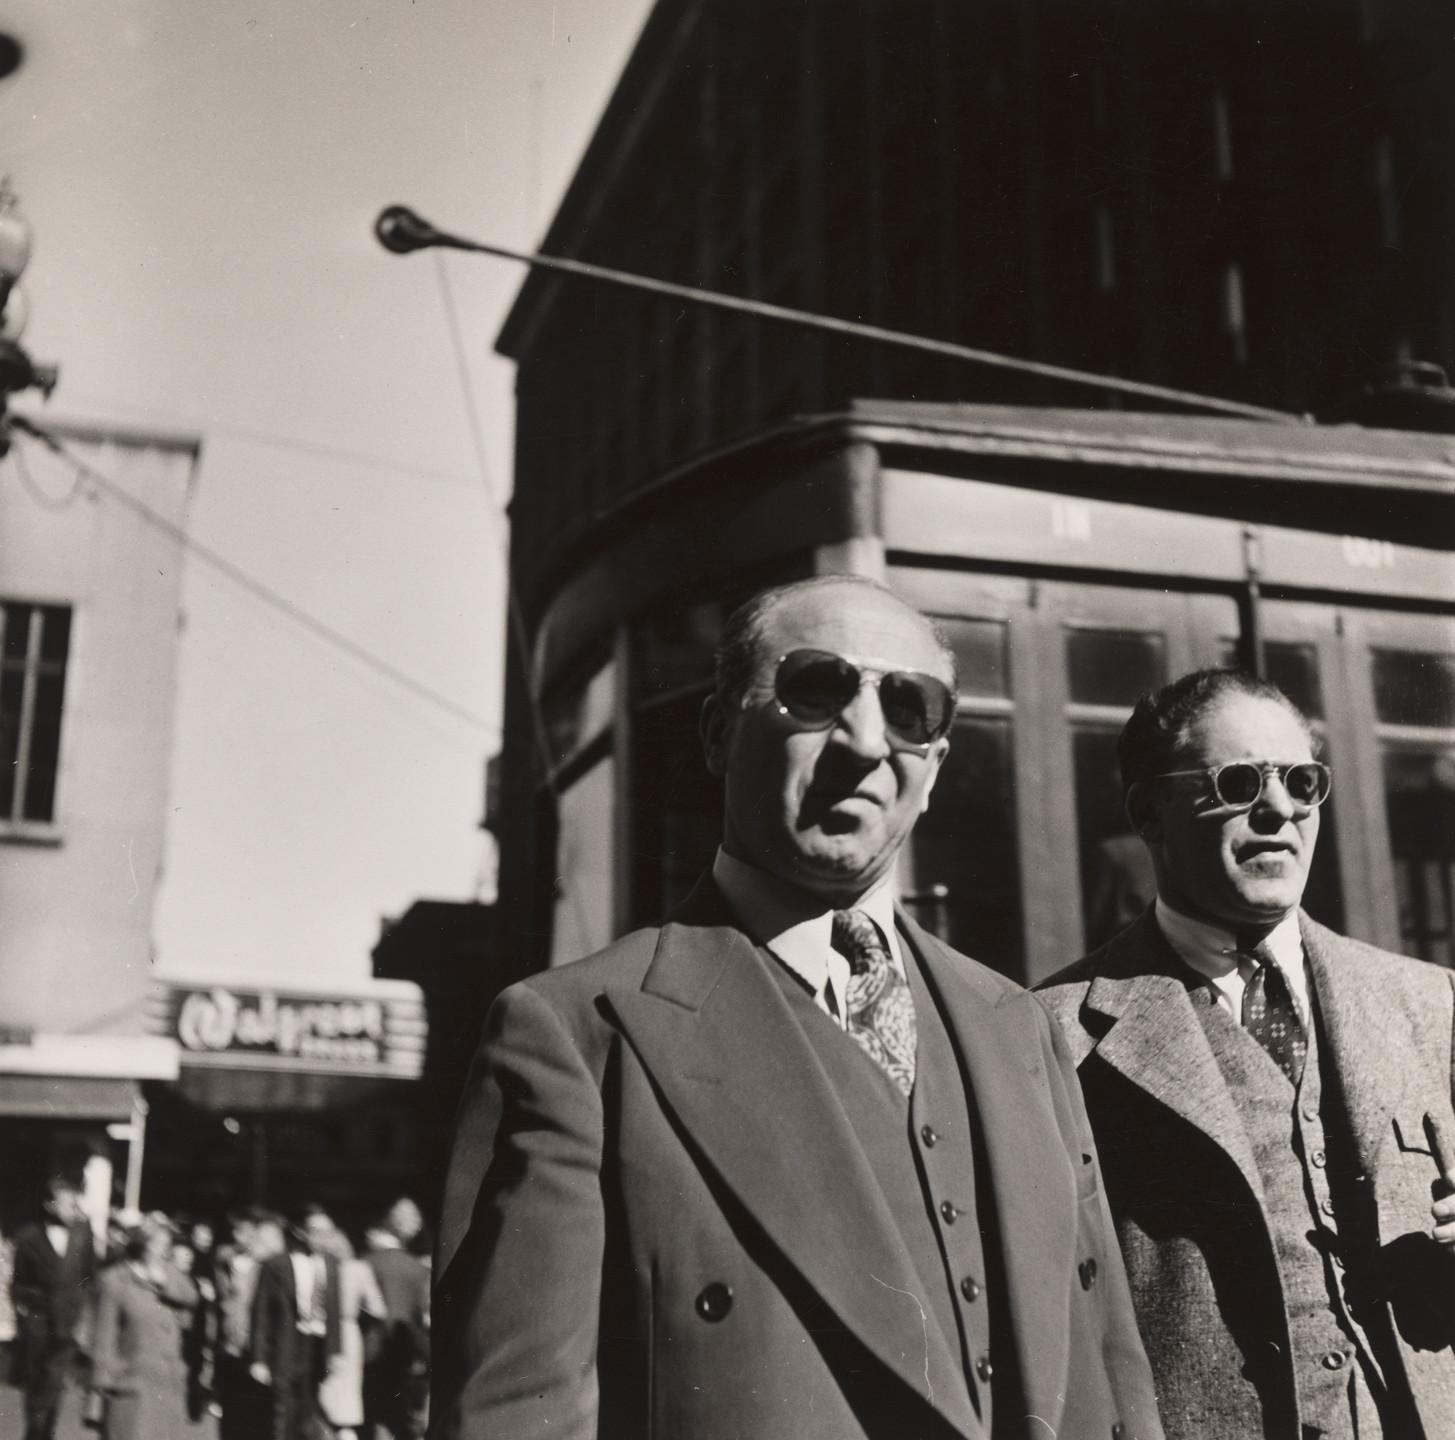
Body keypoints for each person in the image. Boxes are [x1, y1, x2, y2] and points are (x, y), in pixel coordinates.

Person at [434, 575, 1163, 1440]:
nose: (862, 741)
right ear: (717, 733)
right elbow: (517, 1419)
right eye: (815, 691)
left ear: (933, 768)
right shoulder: (574, 1035)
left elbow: (1112, 1378)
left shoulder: (1018, 1025)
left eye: (908, 708)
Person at [1038, 667, 1455, 1439]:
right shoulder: (1054, 1035)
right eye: (1236, 782)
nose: (1278, 808)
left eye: (1301, 781)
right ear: (1147, 813)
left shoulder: (1431, 1004)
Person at [90, 1213, 199, 1440]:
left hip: (168, 1386)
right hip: (131, 1386)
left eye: (166, 1245)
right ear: (140, 1244)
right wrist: (100, 1389)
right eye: (157, 1243)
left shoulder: (169, 1276)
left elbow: (192, 1297)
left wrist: (164, 1280)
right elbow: (104, 1336)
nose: (163, 1250)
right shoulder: (115, 1280)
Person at [9, 1173, 96, 1440]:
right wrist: (29, 1312)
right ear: (50, 1205)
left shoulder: (83, 1234)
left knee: (56, 1387)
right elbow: (19, 1284)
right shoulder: (28, 1237)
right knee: (36, 1388)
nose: (73, 1209)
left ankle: (46, 1433)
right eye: (67, 1203)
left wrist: (82, 1316)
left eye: (75, 1203)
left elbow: (89, 1277)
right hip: (39, 1322)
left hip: (68, 1323)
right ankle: (35, 1433)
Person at [250, 1210, 342, 1440]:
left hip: (317, 1347)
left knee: (308, 1411)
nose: (324, 1239)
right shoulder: (277, 1265)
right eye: (318, 1232)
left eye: (328, 1233)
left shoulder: (330, 1265)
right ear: (300, 1232)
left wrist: (335, 1351)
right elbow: (261, 1314)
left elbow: (334, 1312)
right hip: (287, 1344)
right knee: (282, 1410)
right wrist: (259, 1358)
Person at [308, 1210, 387, 1440]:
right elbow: (378, 1309)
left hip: (319, 1331)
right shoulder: (359, 1269)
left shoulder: (317, 1268)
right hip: (349, 1334)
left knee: (322, 1398)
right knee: (346, 1404)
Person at [215, 1207, 279, 1440]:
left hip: (257, 1349)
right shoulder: (228, 1260)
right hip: (232, 1347)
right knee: (235, 1414)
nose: (237, 1236)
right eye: (235, 1230)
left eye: (244, 1231)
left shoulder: (268, 1266)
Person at [362, 1218, 429, 1440]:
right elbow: (421, 1311)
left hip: (372, 1344)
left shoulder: (366, 1261)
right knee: (399, 1406)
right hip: (407, 1344)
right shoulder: (417, 1267)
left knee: (376, 1408)